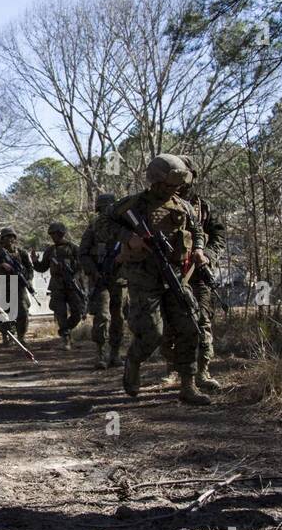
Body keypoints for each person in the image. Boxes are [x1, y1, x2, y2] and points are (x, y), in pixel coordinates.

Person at [110, 154, 212, 406]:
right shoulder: (133, 205)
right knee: (152, 333)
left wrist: (198, 249)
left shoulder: (183, 205)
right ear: (155, 181)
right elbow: (103, 224)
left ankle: (188, 385)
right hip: (144, 278)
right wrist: (128, 237)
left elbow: (198, 230)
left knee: (190, 326)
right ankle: (133, 361)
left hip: (176, 275)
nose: (174, 189)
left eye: (177, 185)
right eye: (168, 184)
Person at [78, 193, 127, 369]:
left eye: (109, 207)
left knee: (118, 317)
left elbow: (133, 248)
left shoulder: (123, 226)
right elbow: (82, 253)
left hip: (120, 278)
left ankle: (115, 353)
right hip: (100, 278)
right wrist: (93, 271)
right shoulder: (93, 228)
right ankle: (101, 353)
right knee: (102, 316)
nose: (106, 211)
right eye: (103, 208)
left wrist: (124, 261)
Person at [188, 190, 227, 391]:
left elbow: (219, 236)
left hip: (199, 273)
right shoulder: (160, 205)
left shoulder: (205, 208)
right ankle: (173, 368)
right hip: (170, 273)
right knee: (172, 322)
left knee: (202, 320)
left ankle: (202, 372)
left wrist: (207, 255)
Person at [33, 221, 86, 350]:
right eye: (51, 234)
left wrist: (76, 278)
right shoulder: (50, 251)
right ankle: (66, 339)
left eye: (56, 234)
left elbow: (81, 266)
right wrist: (35, 261)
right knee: (60, 313)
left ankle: (65, 330)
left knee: (78, 312)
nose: (53, 237)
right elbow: (42, 268)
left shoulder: (73, 248)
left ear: (62, 233)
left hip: (72, 284)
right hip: (57, 285)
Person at [0, 227, 35, 347]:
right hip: (3, 285)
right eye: (6, 237)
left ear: (15, 239)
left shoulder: (21, 253)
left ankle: (21, 337)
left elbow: (29, 268)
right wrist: (1, 266)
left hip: (19, 286)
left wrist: (28, 280)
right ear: (2, 239)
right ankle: (7, 337)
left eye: (11, 237)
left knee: (23, 311)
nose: (9, 239)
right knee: (3, 312)